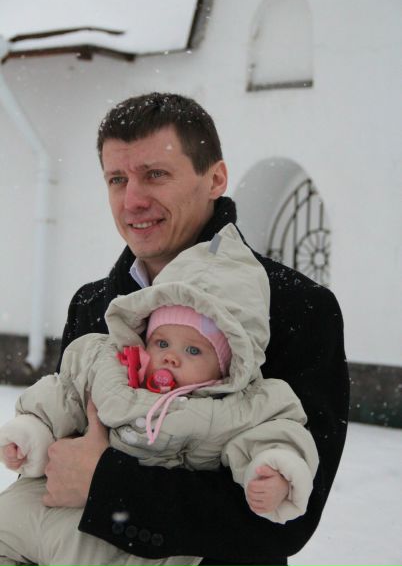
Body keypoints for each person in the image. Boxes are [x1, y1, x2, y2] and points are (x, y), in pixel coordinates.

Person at [3, 93, 349, 566]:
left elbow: (283, 522)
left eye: (155, 175)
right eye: (117, 179)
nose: (132, 200)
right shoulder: (93, 305)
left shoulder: (297, 307)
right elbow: (57, 468)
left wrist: (107, 485)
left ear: (216, 179)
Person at [0, 223, 319, 566]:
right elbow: (64, 394)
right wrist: (32, 432)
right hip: (53, 504)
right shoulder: (110, 364)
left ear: (228, 365)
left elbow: (275, 436)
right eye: (162, 342)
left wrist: (273, 473)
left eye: (193, 350)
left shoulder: (239, 407)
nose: (170, 357)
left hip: (129, 535)